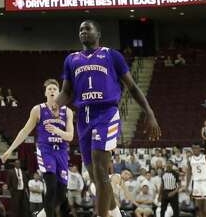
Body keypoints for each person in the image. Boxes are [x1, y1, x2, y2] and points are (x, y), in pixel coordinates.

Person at [57, 20, 160, 217]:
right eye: (80, 30)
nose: (83, 32)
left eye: (87, 28)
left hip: (106, 114)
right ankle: (115, 213)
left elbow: (132, 87)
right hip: (83, 117)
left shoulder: (112, 55)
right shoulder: (71, 59)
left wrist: (150, 112)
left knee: (100, 167)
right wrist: (54, 106)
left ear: (98, 33)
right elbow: (66, 92)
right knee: (96, 177)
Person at [2, 78, 75, 217]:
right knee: (51, 186)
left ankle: (40, 215)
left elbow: (70, 136)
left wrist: (57, 130)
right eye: (50, 89)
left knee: (61, 193)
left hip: (61, 152)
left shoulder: (67, 111)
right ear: (45, 93)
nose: (52, 91)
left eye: (55, 89)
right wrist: (9, 150)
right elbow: (24, 131)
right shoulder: (38, 110)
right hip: (46, 150)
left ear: (59, 93)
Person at [184, 144, 206, 217]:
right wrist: (187, 186)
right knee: (199, 208)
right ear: (192, 149)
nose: (195, 150)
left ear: (200, 149)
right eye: (194, 148)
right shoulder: (190, 159)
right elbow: (189, 173)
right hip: (196, 183)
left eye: (197, 148)